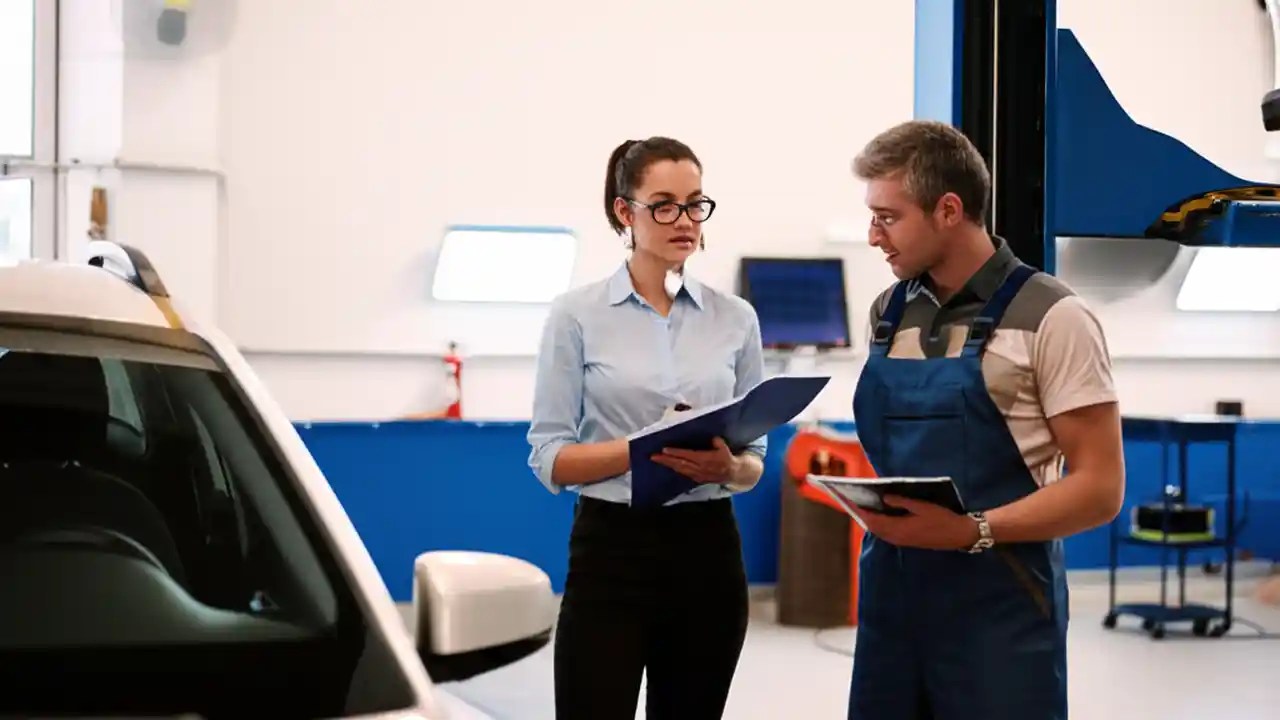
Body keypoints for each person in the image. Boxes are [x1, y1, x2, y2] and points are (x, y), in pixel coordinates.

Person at [844, 120, 1127, 720]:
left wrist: (971, 530)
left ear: (948, 210)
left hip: (1002, 611)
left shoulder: (1054, 317)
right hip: (892, 603)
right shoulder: (888, 313)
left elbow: (1100, 488)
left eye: (888, 217)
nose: (872, 236)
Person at [526, 136, 767, 720]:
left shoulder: (736, 318)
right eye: (663, 206)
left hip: (709, 550)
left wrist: (731, 467)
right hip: (612, 550)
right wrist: (640, 448)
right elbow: (550, 457)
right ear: (624, 211)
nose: (684, 220)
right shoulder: (576, 315)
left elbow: (754, 459)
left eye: (695, 203)